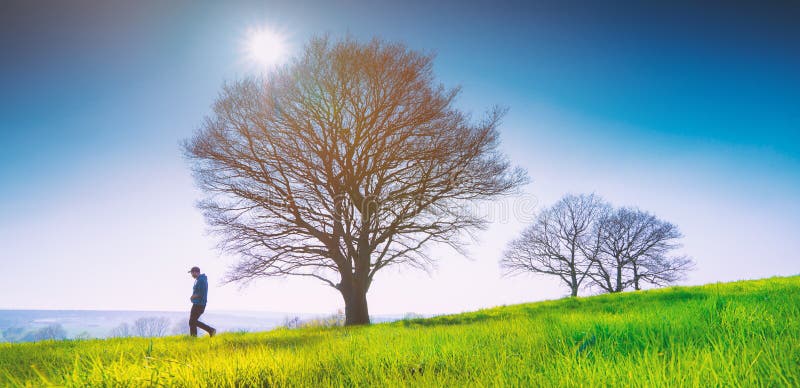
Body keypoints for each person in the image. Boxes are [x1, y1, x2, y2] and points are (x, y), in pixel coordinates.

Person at [188, 266, 216, 337]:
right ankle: (193, 338)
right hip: (197, 303)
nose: (191, 275)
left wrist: (193, 296)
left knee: (192, 321)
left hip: (199, 304)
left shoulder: (201, 280)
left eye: (192, 273)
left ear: (196, 272)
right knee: (192, 322)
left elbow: (201, 293)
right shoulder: (199, 279)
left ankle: (211, 330)